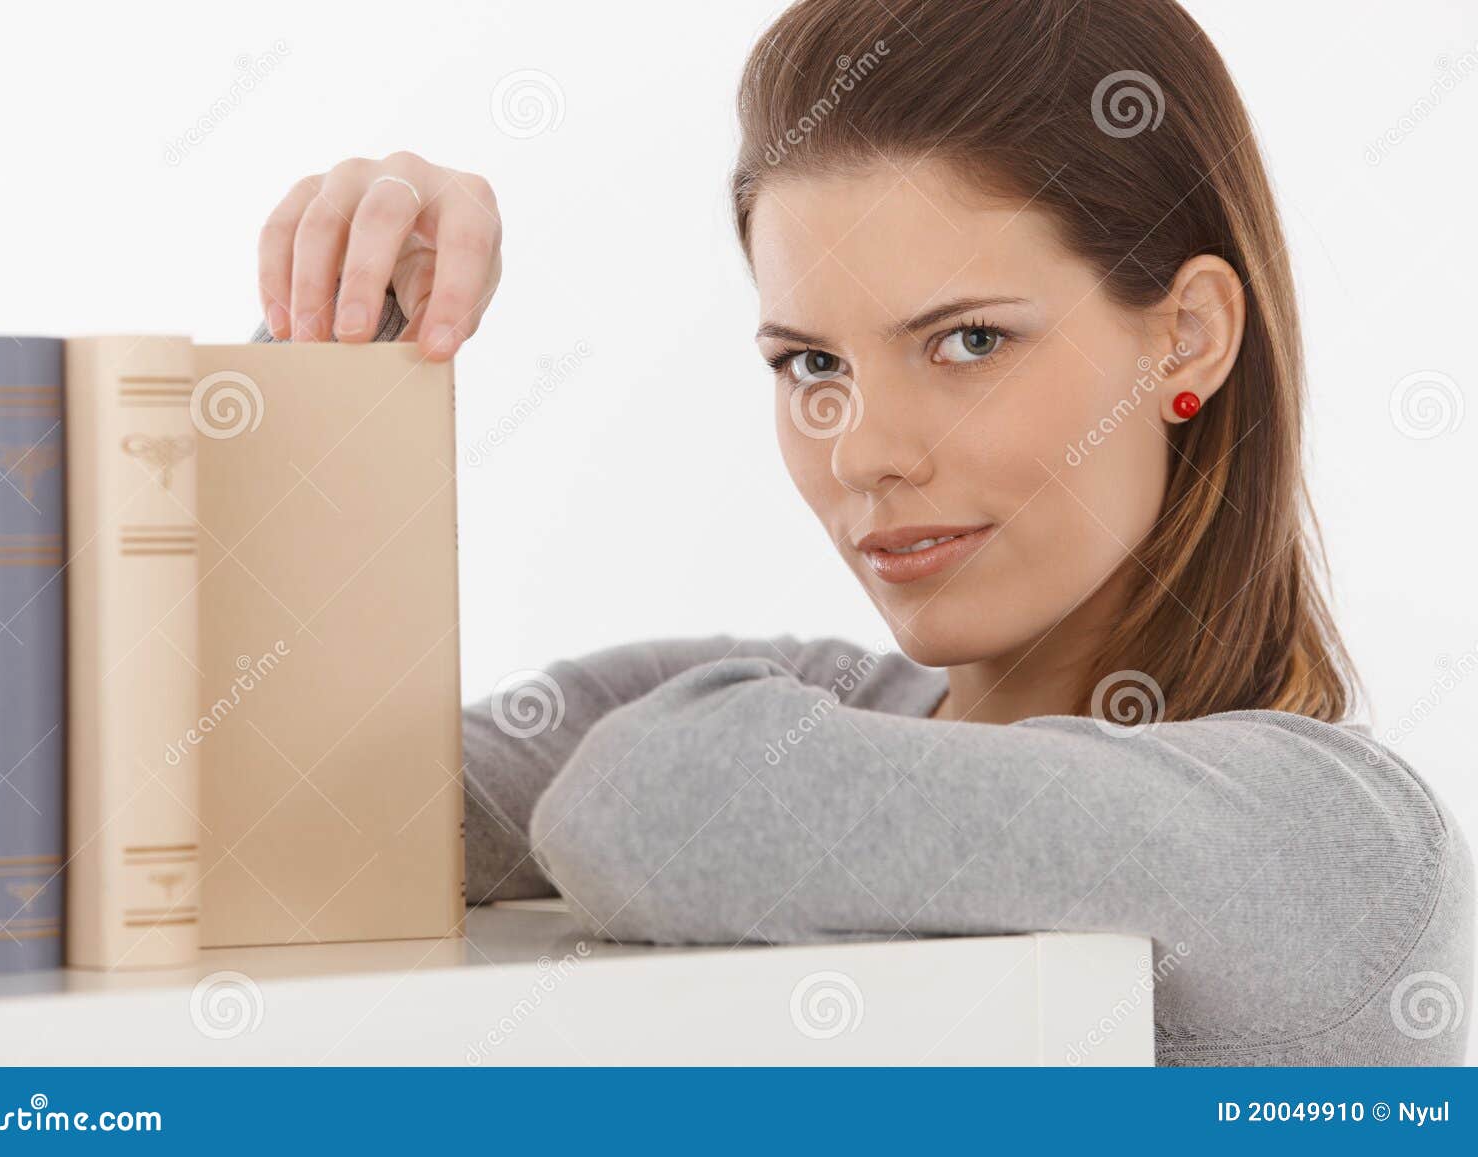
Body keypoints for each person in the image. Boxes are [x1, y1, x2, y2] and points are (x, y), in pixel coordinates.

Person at [251, 0, 1472, 1066]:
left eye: (968, 341)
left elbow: (646, 810)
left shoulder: (1333, 846)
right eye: (811, 362)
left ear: (1185, 338)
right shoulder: (781, 707)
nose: (860, 449)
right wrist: (337, 366)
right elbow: (281, 814)